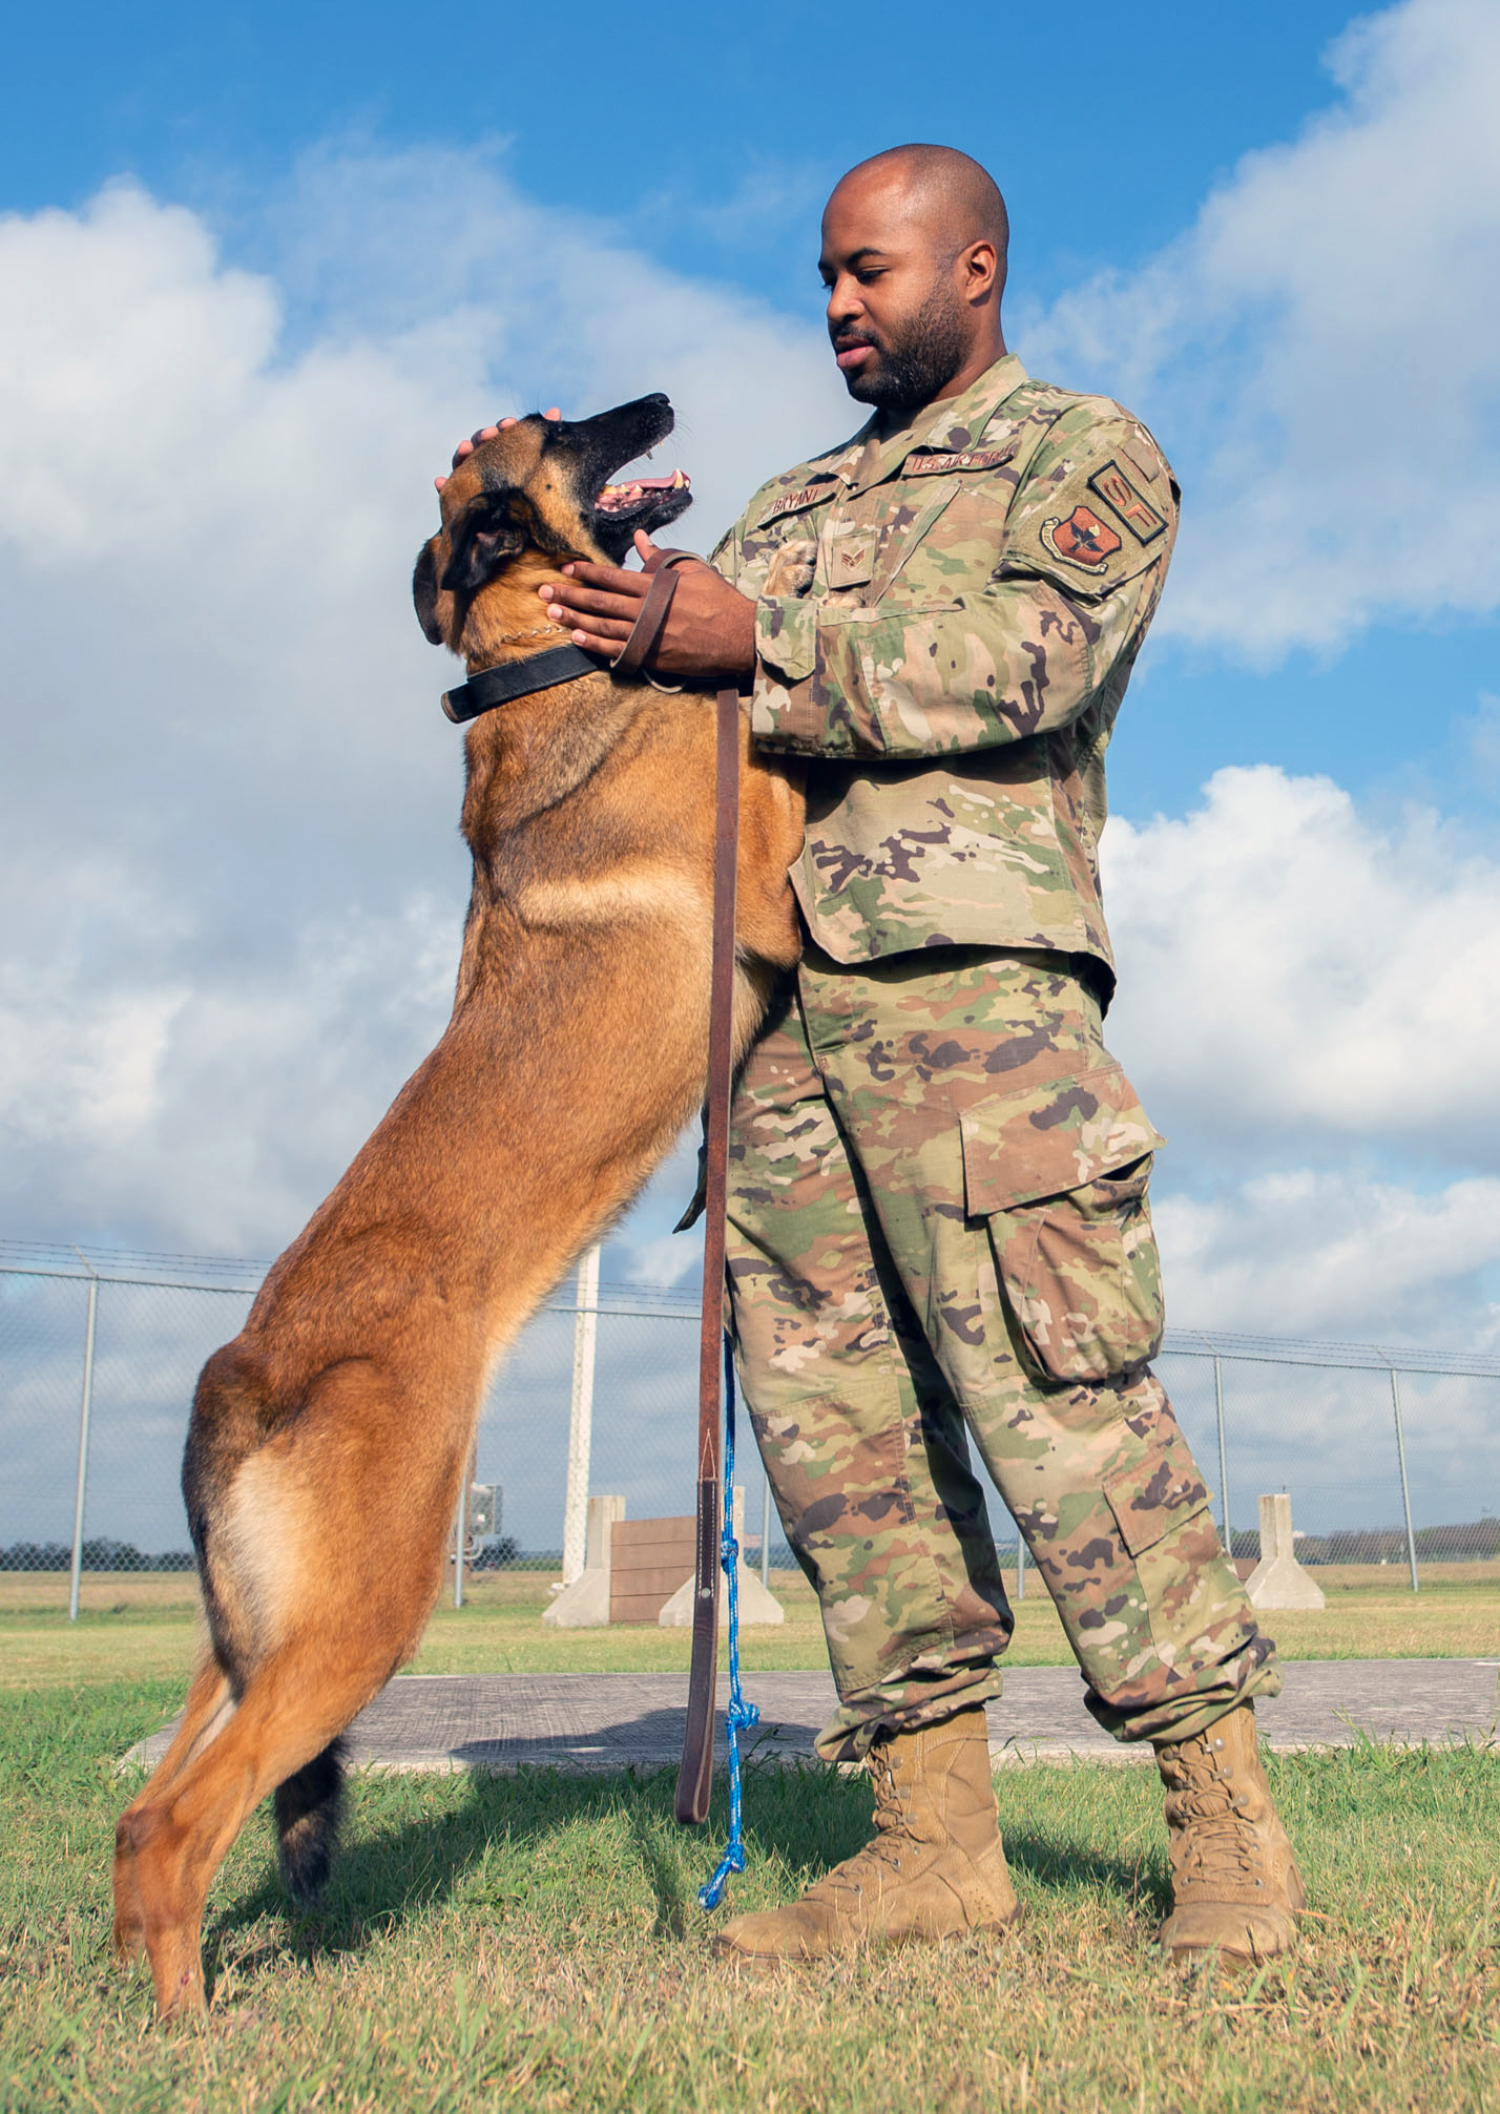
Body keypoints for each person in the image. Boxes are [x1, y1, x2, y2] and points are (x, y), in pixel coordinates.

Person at [447, 143, 1302, 1966]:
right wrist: (550, 578)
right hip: (767, 1029)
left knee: (1065, 1401)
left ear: (974, 269)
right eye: (825, 279)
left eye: (871, 273)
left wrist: (756, 638)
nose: (838, 306)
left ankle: (1221, 1818)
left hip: (974, 1006)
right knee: (839, 1439)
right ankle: (931, 1835)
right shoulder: (779, 504)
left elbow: (1034, 659)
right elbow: (673, 689)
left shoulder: (1087, 453)